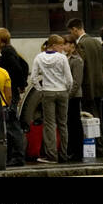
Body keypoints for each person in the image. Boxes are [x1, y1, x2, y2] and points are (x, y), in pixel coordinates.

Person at [67, 18, 103, 156]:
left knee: (91, 119)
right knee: (99, 119)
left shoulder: (82, 44)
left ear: (75, 29)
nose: (71, 35)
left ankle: (98, 147)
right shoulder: (96, 42)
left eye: (70, 32)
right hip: (99, 86)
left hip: (88, 87)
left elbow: (82, 68)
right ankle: (102, 144)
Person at [28, 34, 71, 163]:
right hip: (62, 92)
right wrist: (66, 89)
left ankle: (52, 156)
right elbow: (69, 79)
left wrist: (41, 90)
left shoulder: (39, 57)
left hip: (48, 92)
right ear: (53, 45)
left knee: (50, 125)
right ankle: (63, 155)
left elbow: (34, 78)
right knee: (63, 124)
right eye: (61, 44)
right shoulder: (62, 58)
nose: (63, 47)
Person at [0, 28, 29, 103]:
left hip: (11, 89)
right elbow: (24, 65)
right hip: (11, 87)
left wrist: (22, 85)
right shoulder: (9, 49)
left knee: (11, 111)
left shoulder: (6, 52)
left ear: (1, 40)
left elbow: (18, 68)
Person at [64, 38, 84, 162]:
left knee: (75, 124)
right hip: (68, 95)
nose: (64, 46)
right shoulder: (66, 58)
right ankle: (71, 150)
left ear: (72, 45)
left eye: (65, 44)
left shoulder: (77, 60)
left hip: (74, 96)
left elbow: (76, 82)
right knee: (69, 125)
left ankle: (77, 152)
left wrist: (68, 96)